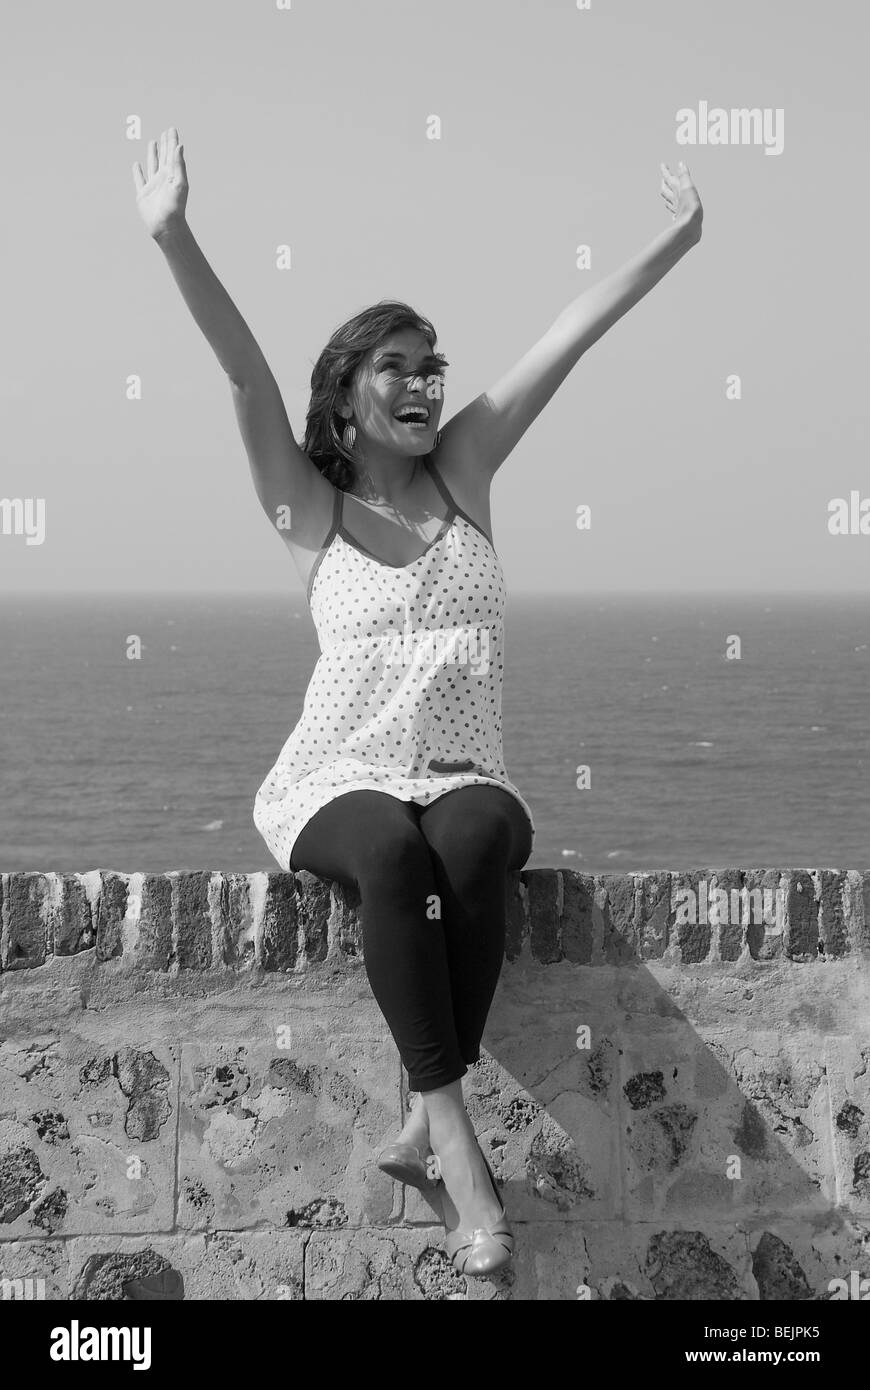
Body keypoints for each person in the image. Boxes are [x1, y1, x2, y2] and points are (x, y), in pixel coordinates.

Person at [133, 128, 703, 1278]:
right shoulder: (309, 507)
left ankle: (418, 1119)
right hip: (335, 778)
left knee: (483, 832)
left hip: (462, 768)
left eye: (431, 362)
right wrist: (175, 235)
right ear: (343, 396)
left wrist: (675, 238)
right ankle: (455, 1144)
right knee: (394, 854)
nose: (422, 380)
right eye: (394, 364)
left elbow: (569, 333)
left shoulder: (466, 470)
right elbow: (244, 372)